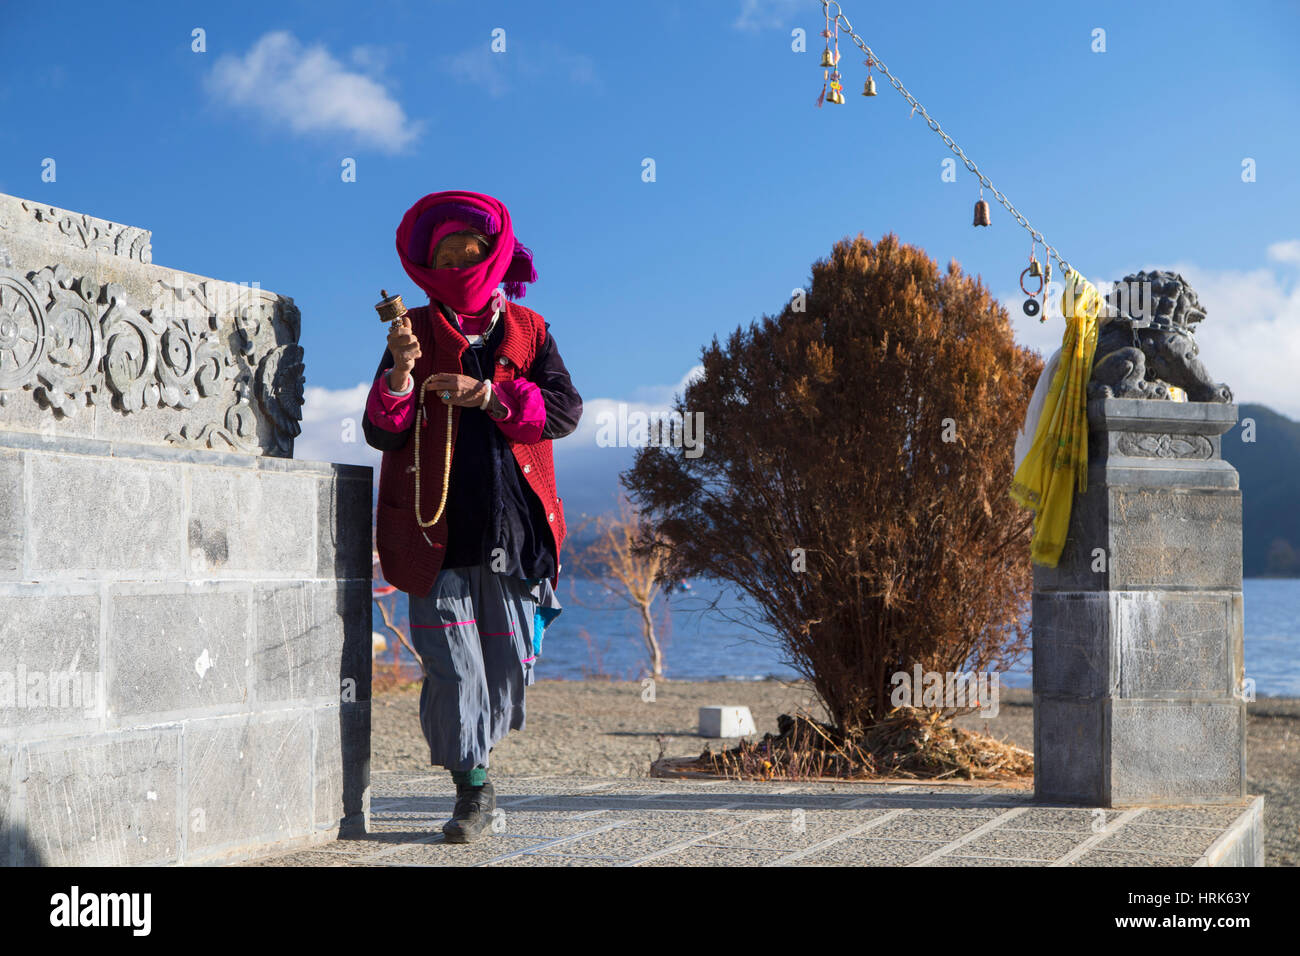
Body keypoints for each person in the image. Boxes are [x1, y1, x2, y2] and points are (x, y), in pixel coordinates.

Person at [363, 190, 582, 843]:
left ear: (494, 255)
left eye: (470, 251)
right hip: (435, 531)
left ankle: (479, 764)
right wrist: (401, 374)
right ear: (428, 267)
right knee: (452, 664)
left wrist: (486, 394)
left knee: (505, 665)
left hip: (514, 531)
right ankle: (473, 793)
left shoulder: (531, 330)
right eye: (446, 255)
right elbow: (382, 432)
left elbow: (564, 412)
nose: (459, 262)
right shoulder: (412, 334)